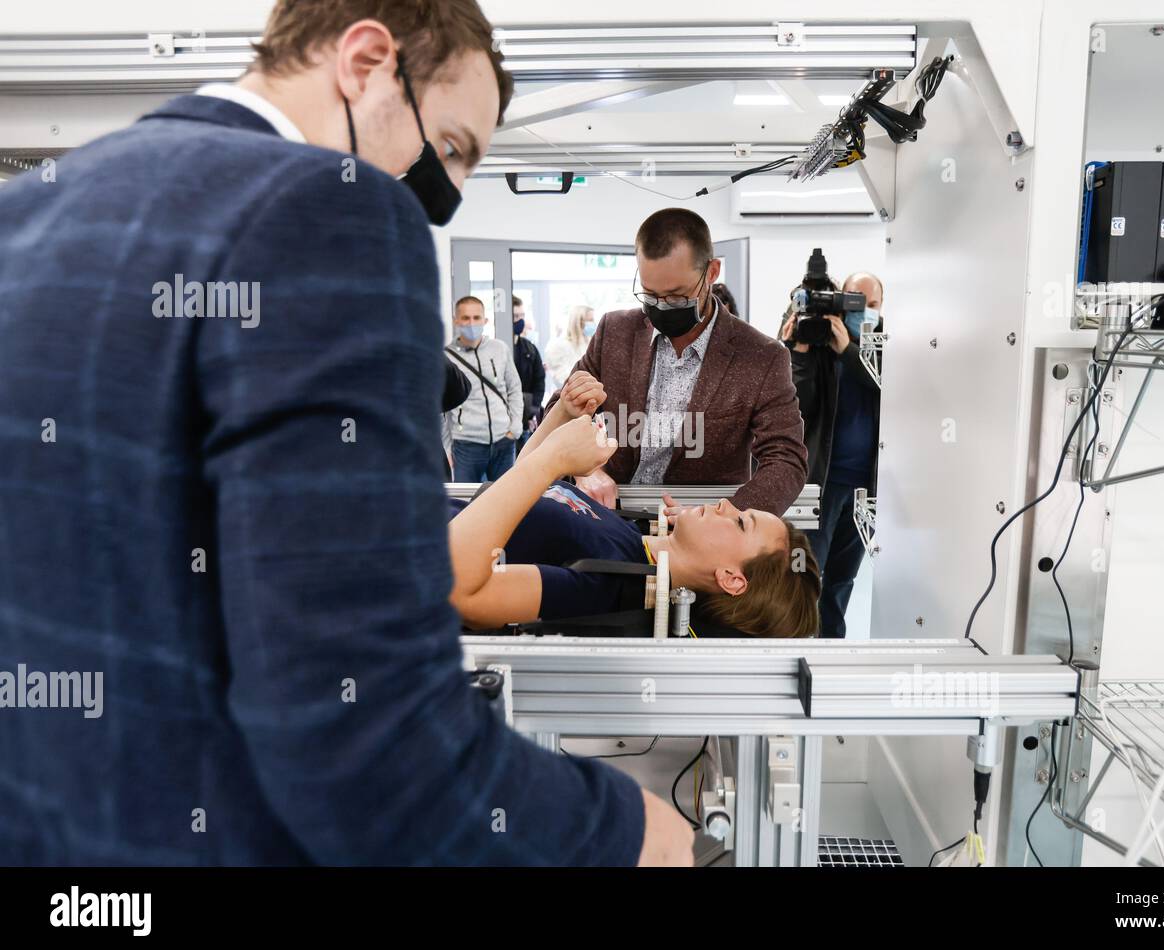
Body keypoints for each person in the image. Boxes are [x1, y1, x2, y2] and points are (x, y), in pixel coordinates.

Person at [0, 0, 690, 867]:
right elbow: (360, 736)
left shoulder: (24, 215)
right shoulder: (327, 211)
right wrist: (617, 831)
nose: (440, 196)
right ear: (366, 62)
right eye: (449, 152)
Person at [449, 372, 822, 637]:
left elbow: (456, 588)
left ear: (731, 578)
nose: (727, 504)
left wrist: (553, 461)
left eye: (741, 523)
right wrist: (562, 416)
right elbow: (516, 501)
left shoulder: (605, 585)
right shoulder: (632, 539)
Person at [546, 208, 808, 517]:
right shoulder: (614, 332)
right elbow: (559, 412)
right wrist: (584, 470)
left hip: (701, 537)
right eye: (650, 295)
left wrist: (720, 520)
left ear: (711, 273)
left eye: (677, 296)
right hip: (606, 517)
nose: (662, 307)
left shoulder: (761, 356)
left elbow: (786, 461)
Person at [781, 270, 885, 638]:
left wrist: (851, 352)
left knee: (843, 579)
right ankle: (798, 646)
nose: (864, 311)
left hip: (865, 490)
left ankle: (832, 646)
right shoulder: (821, 345)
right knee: (808, 575)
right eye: (856, 301)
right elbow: (797, 403)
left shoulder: (884, 350)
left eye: (872, 305)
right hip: (821, 484)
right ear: (840, 300)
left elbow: (886, 387)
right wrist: (800, 351)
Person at [446, 294, 523, 481]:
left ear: (485, 320)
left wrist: (515, 427)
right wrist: (446, 448)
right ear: (456, 321)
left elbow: (514, 388)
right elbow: (441, 410)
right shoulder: (446, 357)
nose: (471, 323)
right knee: (464, 505)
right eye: (465, 318)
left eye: (476, 318)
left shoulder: (500, 348)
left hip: (503, 441)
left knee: (507, 501)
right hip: (466, 445)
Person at [511, 294, 545, 454]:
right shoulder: (497, 349)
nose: (520, 320)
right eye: (515, 316)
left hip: (525, 419)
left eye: (522, 316)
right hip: (503, 424)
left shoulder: (529, 349)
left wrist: (533, 410)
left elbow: (539, 381)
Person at [544, 303, 595, 399]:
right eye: (590, 320)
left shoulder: (588, 344)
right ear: (579, 321)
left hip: (588, 396)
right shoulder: (560, 345)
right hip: (568, 397)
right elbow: (560, 377)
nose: (594, 324)